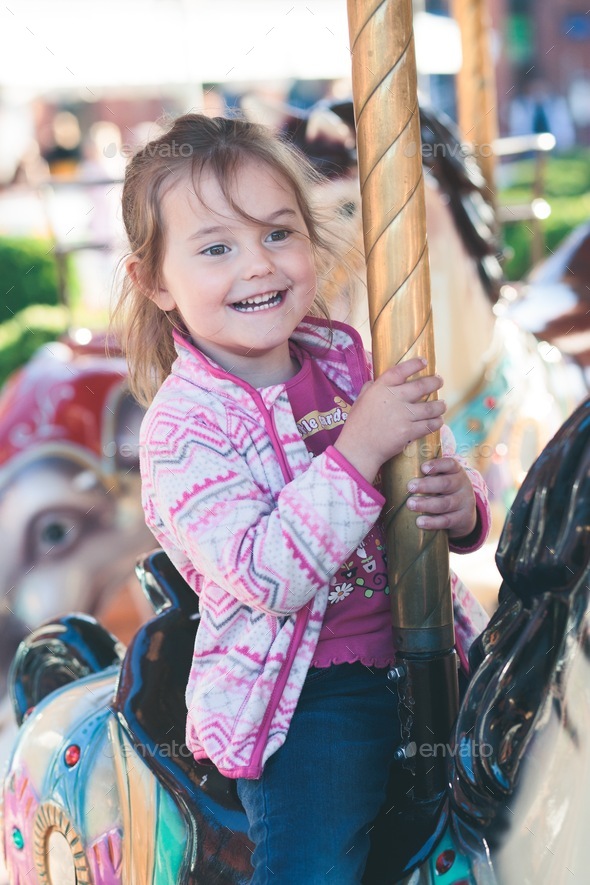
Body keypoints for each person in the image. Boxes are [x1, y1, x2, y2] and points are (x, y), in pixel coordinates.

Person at [113, 113, 491, 884]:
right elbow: (264, 573)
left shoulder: (350, 363)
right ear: (153, 282)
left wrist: (459, 503)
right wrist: (360, 449)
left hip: (441, 652)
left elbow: (437, 465)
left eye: (278, 234)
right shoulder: (184, 430)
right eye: (217, 247)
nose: (259, 265)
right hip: (309, 701)